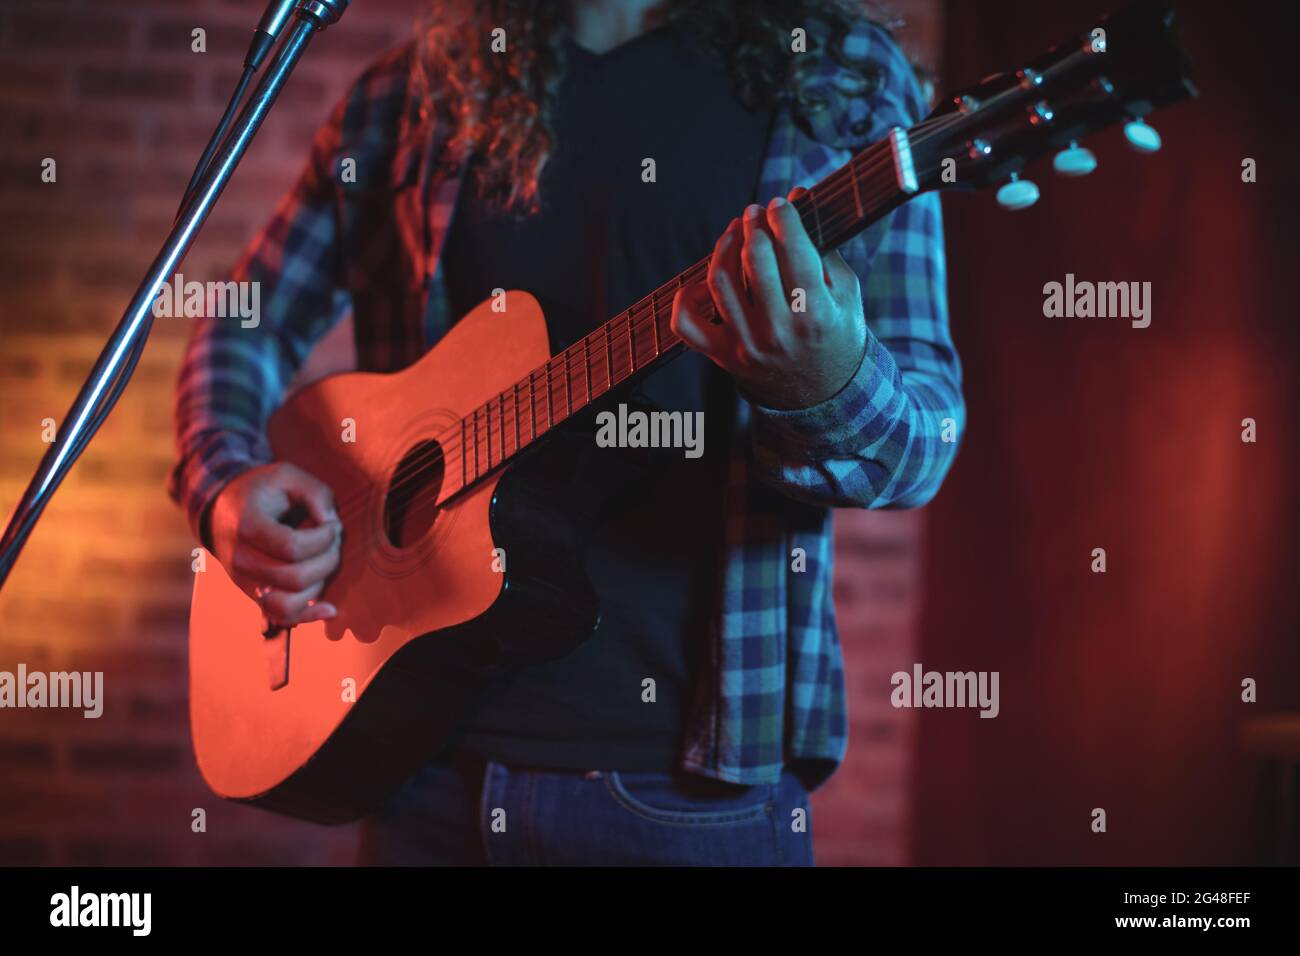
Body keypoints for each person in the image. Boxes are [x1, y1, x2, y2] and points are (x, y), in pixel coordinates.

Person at [168, 0, 964, 866]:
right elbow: (247, 325)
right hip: (420, 765)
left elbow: (922, 442)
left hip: (685, 798)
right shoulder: (411, 95)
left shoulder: (841, 78)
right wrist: (223, 484)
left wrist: (828, 383)